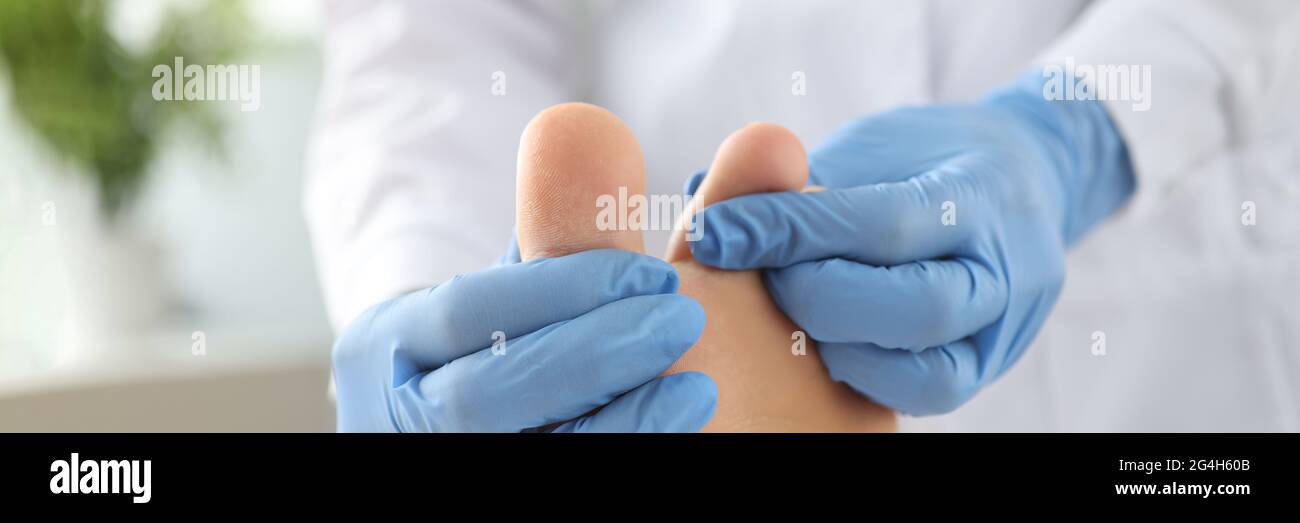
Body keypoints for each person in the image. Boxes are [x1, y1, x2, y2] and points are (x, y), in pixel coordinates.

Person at [308, 0, 1300, 431]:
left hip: (1179, 340)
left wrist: (1088, 122)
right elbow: (432, 39)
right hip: (675, 267)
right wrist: (426, 306)